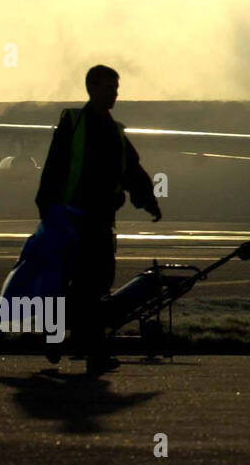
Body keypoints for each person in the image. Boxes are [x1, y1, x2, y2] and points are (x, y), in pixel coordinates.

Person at [36, 65, 162, 374]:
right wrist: (47, 208)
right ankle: (78, 345)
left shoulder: (115, 131)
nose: (114, 94)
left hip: (102, 219)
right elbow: (54, 167)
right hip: (71, 218)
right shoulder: (73, 124)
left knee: (94, 285)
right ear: (91, 89)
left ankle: (79, 344)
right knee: (76, 284)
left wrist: (147, 201)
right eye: (109, 88)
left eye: (116, 89)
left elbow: (132, 169)